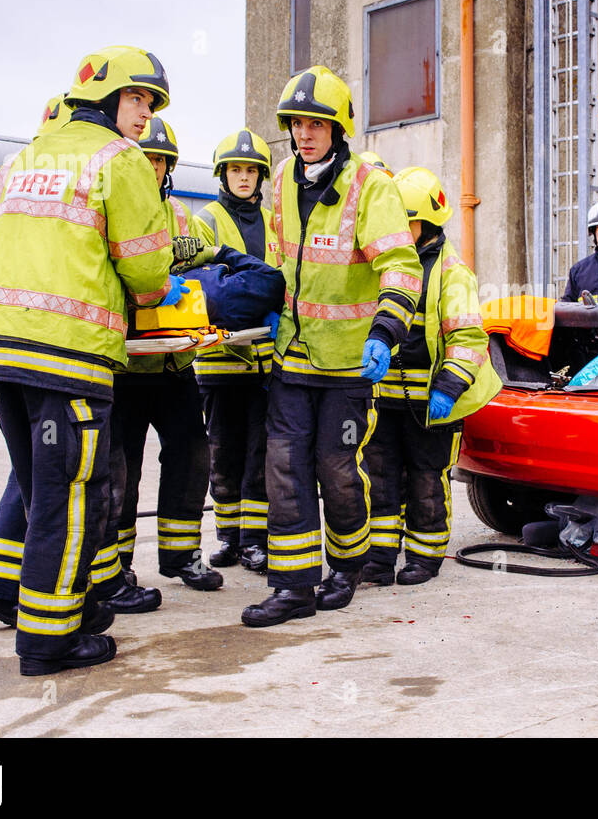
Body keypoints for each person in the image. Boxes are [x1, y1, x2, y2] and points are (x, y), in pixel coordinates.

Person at [0, 46, 181, 675]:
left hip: (1, 350)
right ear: (106, 98)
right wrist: (155, 286)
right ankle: (49, 641)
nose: (145, 115)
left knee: (40, 492)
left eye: (150, 103)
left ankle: (67, 608)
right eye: (139, 98)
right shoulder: (119, 161)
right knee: (73, 499)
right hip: (70, 358)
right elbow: (146, 271)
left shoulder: (24, 157)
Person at [240, 66, 422, 628]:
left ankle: (347, 565)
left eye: (316, 123)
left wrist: (385, 331)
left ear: (338, 127)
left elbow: (400, 265)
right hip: (292, 360)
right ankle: (292, 586)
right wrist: (267, 304)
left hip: (348, 365)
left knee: (337, 467)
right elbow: (277, 257)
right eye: (296, 123)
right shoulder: (280, 178)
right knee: (286, 469)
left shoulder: (370, 186)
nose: (304, 133)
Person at [360, 166, 501, 586]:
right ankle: (381, 557)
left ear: (429, 222)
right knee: (381, 476)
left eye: (409, 221)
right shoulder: (385, 265)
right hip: (385, 396)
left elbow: (468, 338)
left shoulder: (452, 272)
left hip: (433, 399)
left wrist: (448, 388)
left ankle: (424, 556)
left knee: (426, 478)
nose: (401, 229)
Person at [99, 117, 221, 599]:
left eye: (159, 161)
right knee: (121, 468)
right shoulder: (111, 206)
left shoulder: (181, 217)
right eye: (145, 159)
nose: (152, 169)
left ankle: (181, 555)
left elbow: (198, 272)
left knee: (193, 454)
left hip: (174, 365)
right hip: (126, 366)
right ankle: (118, 564)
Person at [194, 129, 280, 573]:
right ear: (222, 174)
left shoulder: (275, 222)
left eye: (250, 170)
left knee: (260, 454)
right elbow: (207, 286)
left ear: (261, 176)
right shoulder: (205, 219)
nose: (243, 177)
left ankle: (254, 541)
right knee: (222, 452)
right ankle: (227, 538)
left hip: (265, 362)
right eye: (235, 169)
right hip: (219, 361)